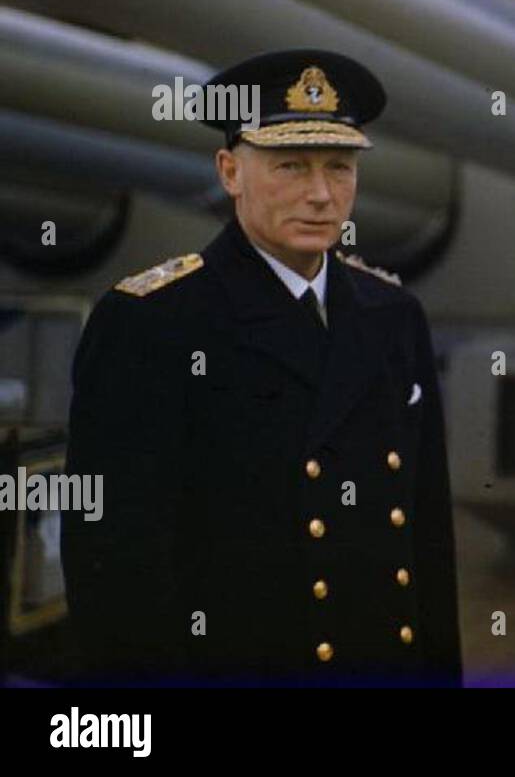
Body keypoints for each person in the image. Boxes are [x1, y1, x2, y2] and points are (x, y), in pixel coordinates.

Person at [61, 49, 461, 685]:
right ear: (229, 171)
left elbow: (426, 543)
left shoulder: (393, 316)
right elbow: (117, 565)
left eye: (340, 166)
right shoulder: (154, 322)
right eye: (291, 166)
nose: (321, 194)